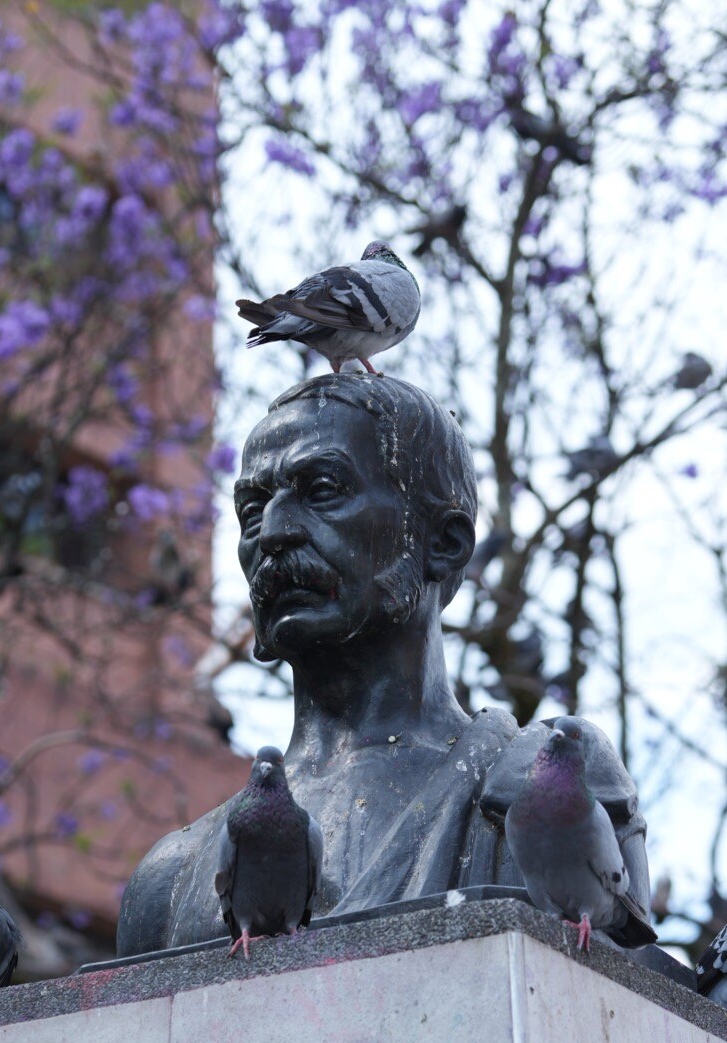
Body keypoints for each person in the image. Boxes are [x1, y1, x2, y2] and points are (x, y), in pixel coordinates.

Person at [116, 374, 649, 956]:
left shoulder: (549, 791)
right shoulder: (169, 880)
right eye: (250, 509)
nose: (271, 533)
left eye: (322, 490)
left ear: (443, 543)